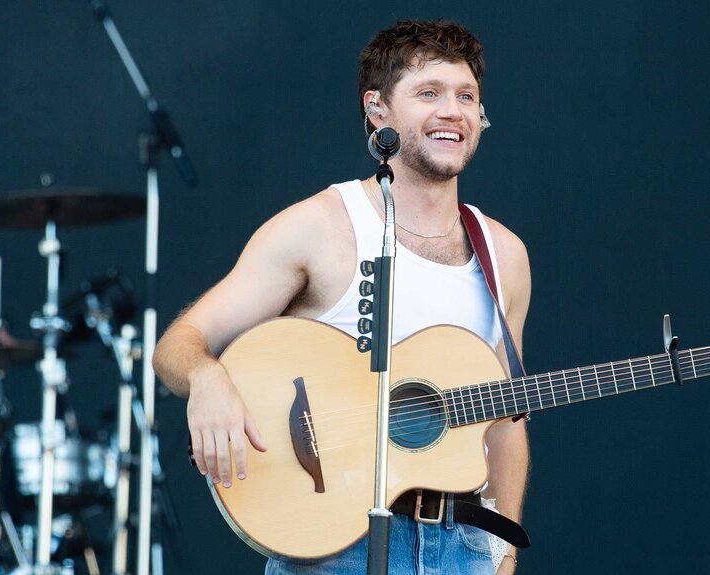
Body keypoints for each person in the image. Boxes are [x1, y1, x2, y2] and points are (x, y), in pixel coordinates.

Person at [153, 19, 531, 575]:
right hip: (334, 549)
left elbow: (504, 420)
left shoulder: (504, 254)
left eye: (466, 96)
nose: (453, 111)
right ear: (377, 110)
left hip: (463, 547)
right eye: (429, 93)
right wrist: (207, 378)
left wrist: (504, 555)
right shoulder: (319, 227)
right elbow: (178, 344)